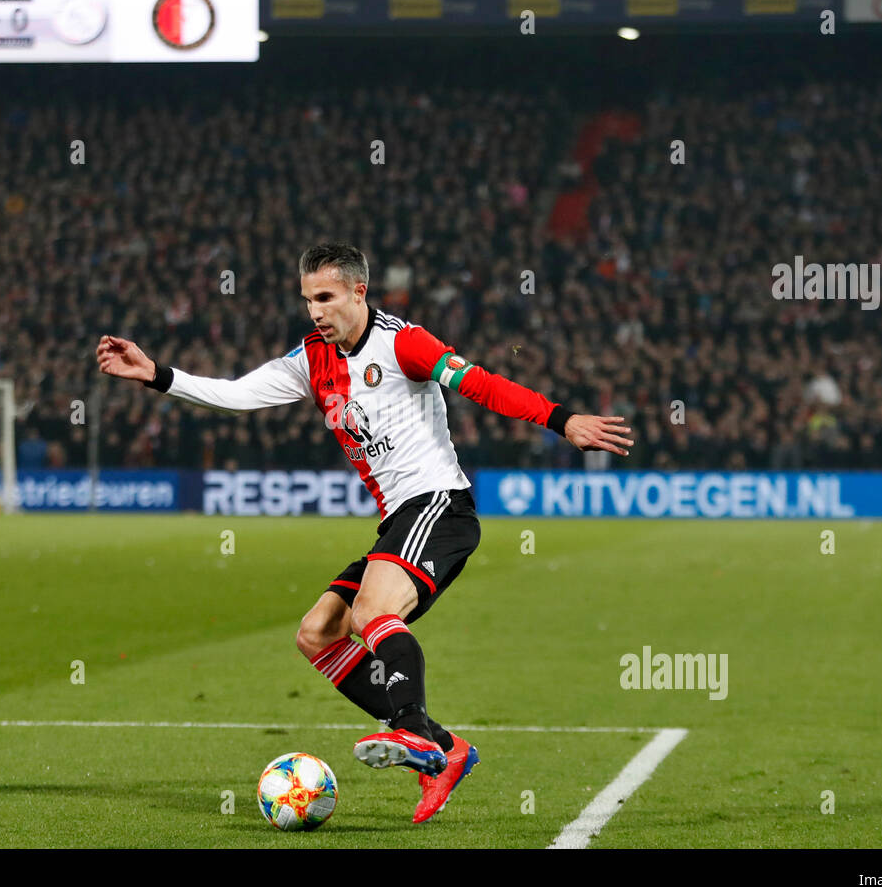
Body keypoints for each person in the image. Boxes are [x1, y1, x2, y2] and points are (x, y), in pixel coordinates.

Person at [96, 242, 632, 823]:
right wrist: (156, 375)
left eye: (325, 297)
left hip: (439, 506)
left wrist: (560, 419)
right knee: (317, 634)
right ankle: (445, 747)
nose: (315, 311)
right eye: (308, 300)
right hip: (397, 520)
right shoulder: (311, 358)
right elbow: (236, 395)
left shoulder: (404, 343)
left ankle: (412, 731)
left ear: (359, 291)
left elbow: (480, 383)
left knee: (371, 613)